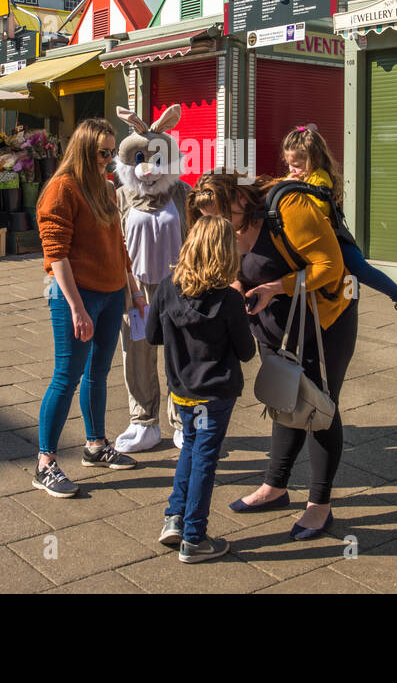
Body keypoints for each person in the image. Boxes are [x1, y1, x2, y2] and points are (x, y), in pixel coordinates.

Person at [188, 171, 358, 541]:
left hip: (323, 319)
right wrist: (236, 286)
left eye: (220, 216)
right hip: (272, 323)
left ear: (238, 200)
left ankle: (320, 505)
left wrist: (275, 286)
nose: (217, 227)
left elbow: (329, 266)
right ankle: (275, 487)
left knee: (318, 406)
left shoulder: (289, 208)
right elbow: (239, 270)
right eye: (208, 220)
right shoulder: (226, 224)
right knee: (283, 398)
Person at [33, 118, 147, 497]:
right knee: (66, 376)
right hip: (76, 295)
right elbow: (57, 255)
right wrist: (77, 309)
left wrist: (132, 288)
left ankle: (95, 445)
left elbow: (119, 243)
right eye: (103, 152)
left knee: (99, 373)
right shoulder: (61, 189)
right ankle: (45, 462)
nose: (109, 158)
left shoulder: (106, 187)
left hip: (112, 292)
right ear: (84, 150)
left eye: (112, 152)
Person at [147, 215, 255, 563]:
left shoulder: (166, 287)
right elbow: (247, 352)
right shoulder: (229, 300)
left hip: (181, 390)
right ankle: (194, 536)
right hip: (214, 394)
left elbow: (151, 336)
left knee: (190, 450)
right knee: (204, 458)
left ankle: (174, 518)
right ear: (225, 253)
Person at [282, 125, 397, 330]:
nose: (292, 170)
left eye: (297, 165)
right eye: (289, 164)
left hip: (332, 239)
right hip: (310, 240)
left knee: (359, 267)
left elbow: (314, 211)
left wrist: (291, 189)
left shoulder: (320, 178)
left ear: (313, 160)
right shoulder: (297, 177)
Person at [111, 104, 190, 454]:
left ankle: (182, 420)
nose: (148, 169)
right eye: (139, 160)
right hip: (136, 290)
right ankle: (143, 421)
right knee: (137, 354)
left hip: (177, 288)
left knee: (180, 353)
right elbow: (112, 241)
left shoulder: (183, 194)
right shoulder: (122, 197)